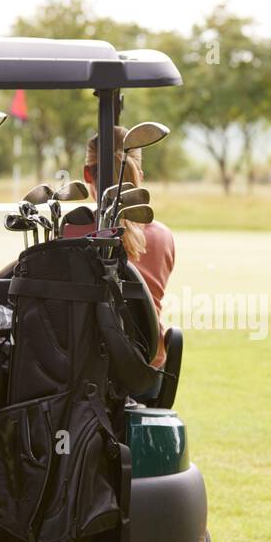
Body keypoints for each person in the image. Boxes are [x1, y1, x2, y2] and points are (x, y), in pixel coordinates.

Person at [69, 126, 175, 367]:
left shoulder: (71, 232)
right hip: (148, 368)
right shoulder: (163, 236)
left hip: (85, 370)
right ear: (140, 175)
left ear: (87, 175)